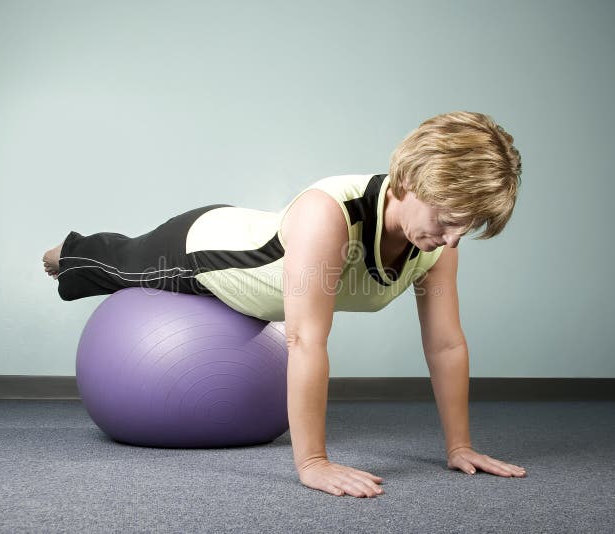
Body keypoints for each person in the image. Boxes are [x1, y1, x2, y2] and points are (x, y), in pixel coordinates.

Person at [42, 110, 526, 498]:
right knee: (116, 263)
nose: (455, 239)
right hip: (201, 252)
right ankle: (65, 253)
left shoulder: (436, 247)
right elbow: (303, 338)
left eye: (469, 227)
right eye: (450, 220)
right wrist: (312, 462)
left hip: (259, 276)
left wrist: (459, 446)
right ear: (411, 182)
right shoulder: (330, 215)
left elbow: (445, 345)